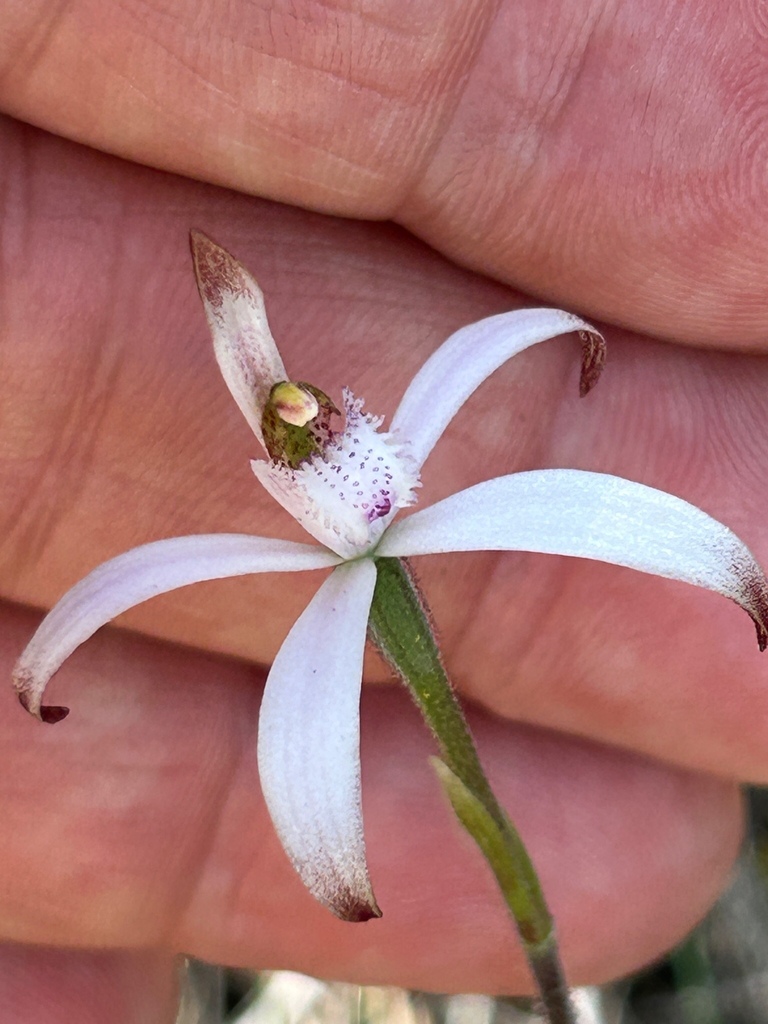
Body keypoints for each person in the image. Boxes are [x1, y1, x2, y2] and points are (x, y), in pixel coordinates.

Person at [1, 2, 767, 1020]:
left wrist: (737, 577)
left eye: (313, 422)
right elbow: (326, 858)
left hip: (404, 531)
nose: (299, 414)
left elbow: (712, 549)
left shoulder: (470, 447)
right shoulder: (299, 576)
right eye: (291, 434)